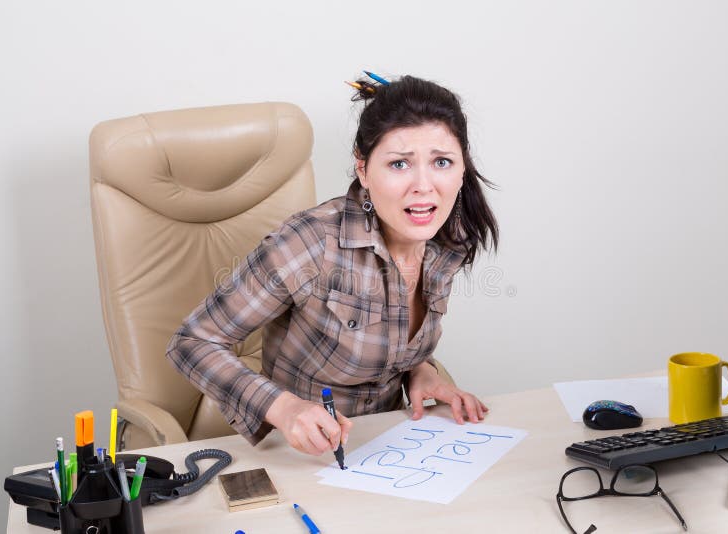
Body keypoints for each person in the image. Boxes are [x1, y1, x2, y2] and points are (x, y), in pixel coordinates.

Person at [166, 74, 499, 459]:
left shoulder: (446, 240)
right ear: (363, 171)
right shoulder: (312, 242)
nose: (424, 186)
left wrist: (420, 371)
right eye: (399, 164)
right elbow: (192, 342)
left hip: (392, 448)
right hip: (304, 456)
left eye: (441, 162)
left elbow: (389, 340)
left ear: (462, 169)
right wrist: (285, 409)